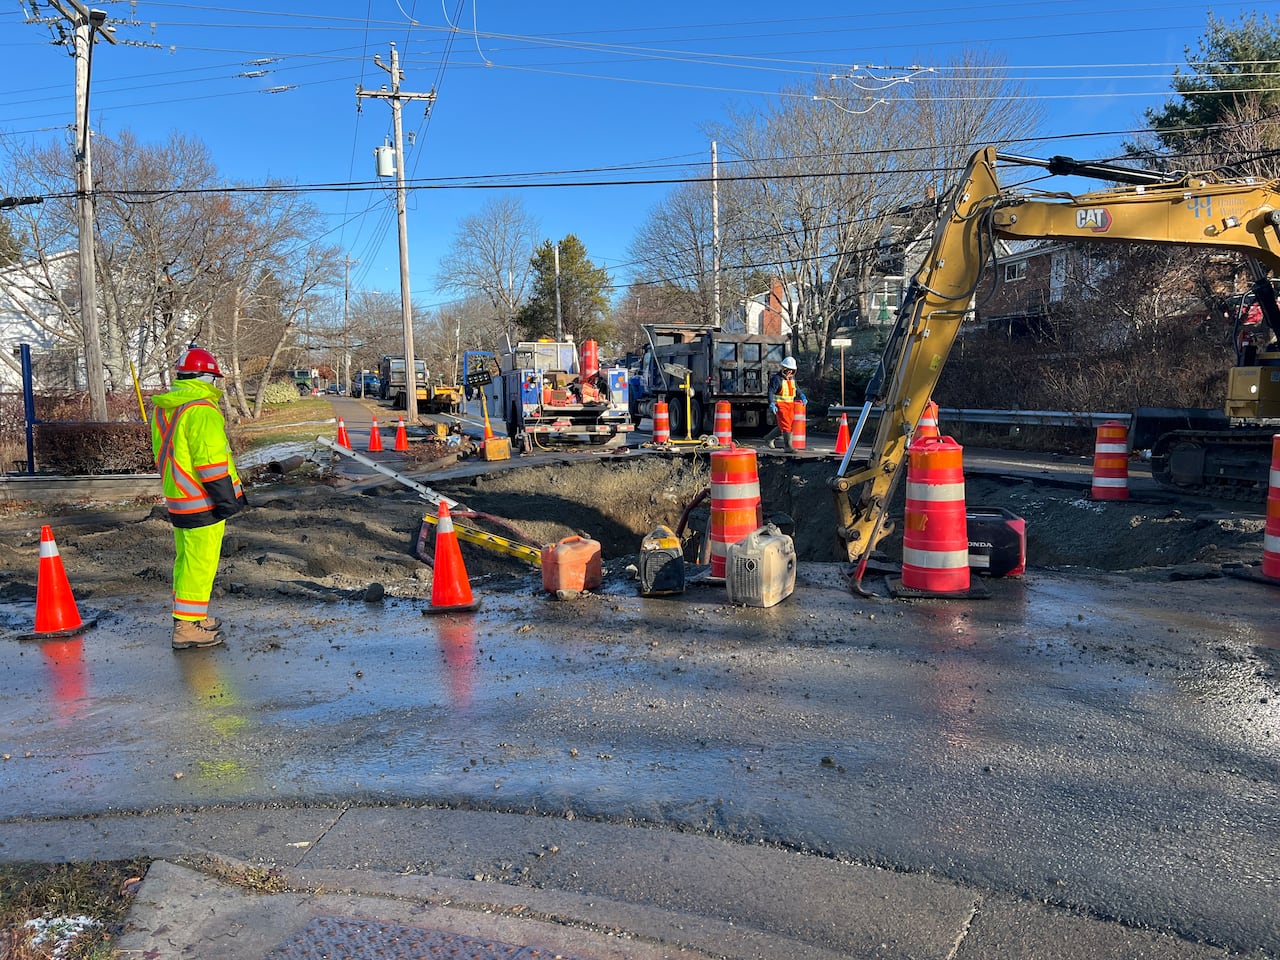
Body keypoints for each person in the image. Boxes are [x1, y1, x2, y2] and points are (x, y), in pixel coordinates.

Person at [151, 344, 247, 650]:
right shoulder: (202, 411)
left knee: (186, 560)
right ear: (207, 377)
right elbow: (211, 461)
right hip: (202, 498)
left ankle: (191, 616)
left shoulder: (168, 407)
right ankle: (187, 628)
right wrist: (228, 500)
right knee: (200, 563)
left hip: (178, 495)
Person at [763, 356, 805, 450]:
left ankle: (769, 438)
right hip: (780, 405)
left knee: (787, 425)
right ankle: (788, 447)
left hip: (791, 405)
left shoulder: (792, 379)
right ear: (783, 369)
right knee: (786, 425)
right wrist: (771, 403)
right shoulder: (776, 379)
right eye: (788, 370)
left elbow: (796, 389)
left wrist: (802, 395)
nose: (790, 372)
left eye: (792, 370)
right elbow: (770, 392)